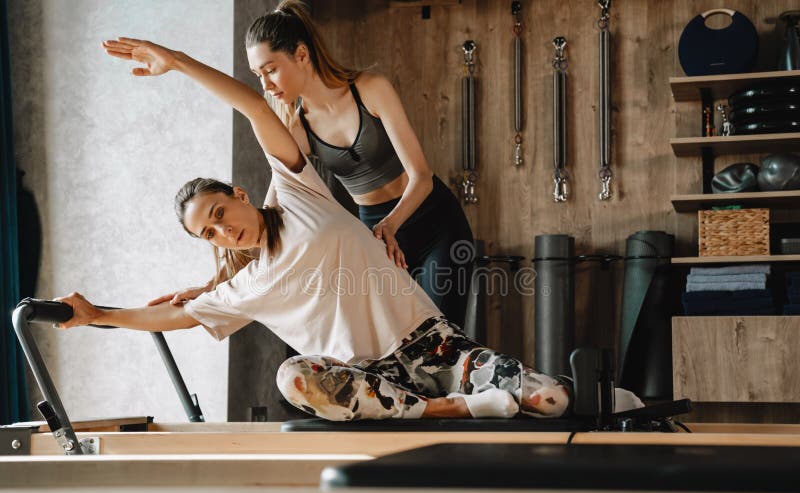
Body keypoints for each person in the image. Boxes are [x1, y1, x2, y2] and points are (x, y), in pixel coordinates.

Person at [54, 37, 643, 422]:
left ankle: (517, 395)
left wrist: (177, 63)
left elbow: (256, 111)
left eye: (219, 214)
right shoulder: (243, 287)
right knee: (294, 378)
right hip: (370, 377)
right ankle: (454, 411)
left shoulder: (298, 192)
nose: (222, 232)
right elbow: (174, 317)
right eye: (208, 236)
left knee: (551, 400)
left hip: (431, 344)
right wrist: (96, 314)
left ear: (239, 195)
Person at [149, 0, 475, 328]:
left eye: (271, 69)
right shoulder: (299, 130)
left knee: (446, 334)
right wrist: (212, 285)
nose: (266, 85)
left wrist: (390, 225)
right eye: (258, 75)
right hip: (378, 233)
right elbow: (267, 219)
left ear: (302, 54)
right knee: (411, 342)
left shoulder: (371, 89)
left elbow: (422, 177)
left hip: (434, 221)